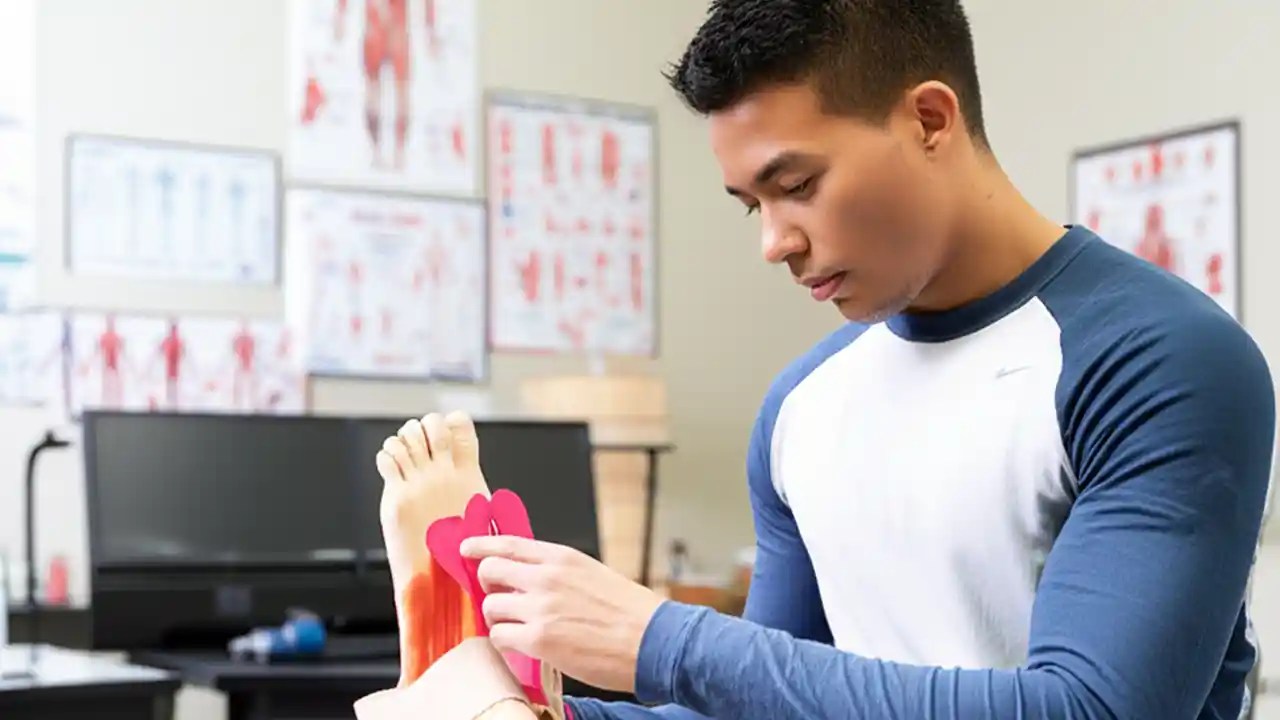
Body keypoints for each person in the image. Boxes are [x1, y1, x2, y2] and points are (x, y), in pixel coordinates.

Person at [458, 1, 1277, 718]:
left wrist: (662, 642)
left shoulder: (1160, 360)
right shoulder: (800, 405)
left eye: (798, 184)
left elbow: (1089, 708)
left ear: (928, 120)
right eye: (753, 204)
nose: (774, 243)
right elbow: (759, 709)